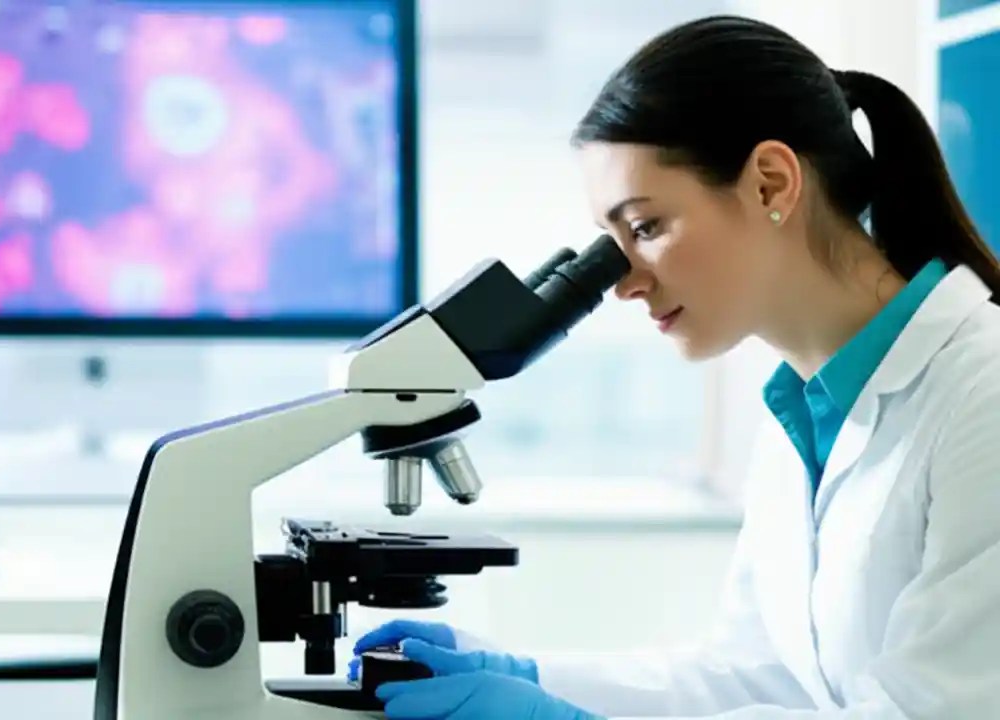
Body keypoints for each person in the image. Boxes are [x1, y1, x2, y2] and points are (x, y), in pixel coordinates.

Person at [352, 14, 1000, 720]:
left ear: (771, 184)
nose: (625, 281)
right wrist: (529, 676)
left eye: (647, 228)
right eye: (611, 241)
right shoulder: (801, 413)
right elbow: (753, 678)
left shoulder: (982, 391)